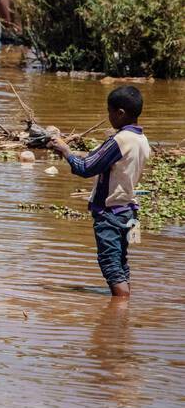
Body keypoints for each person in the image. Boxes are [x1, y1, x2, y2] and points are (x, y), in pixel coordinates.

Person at [47, 86, 150, 299]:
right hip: (129, 213)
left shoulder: (121, 140)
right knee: (120, 261)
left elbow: (86, 168)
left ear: (120, 113)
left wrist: (66, 151)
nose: (109, 116)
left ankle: (120, 309)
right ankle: (122, 310)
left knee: (110, 264)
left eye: (110, 111)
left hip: (110, 213)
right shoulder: (142, 140)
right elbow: (102, 161)